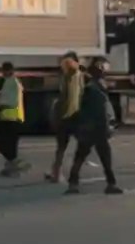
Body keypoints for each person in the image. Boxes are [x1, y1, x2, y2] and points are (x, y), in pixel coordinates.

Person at [65, 60, 124, 195]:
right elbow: (101, 114)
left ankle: (73, 184)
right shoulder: (97, 92)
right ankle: (111, 184)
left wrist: (76, 129)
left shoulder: (86, 90)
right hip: (97, 130)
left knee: (79, 158)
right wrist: (107, 128)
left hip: (86, 130)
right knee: (105, 158)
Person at [45, 51, 83, 183]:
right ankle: (58, 172)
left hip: (67, 116)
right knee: (77, 146)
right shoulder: (73, 76)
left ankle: (56, 172)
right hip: (70, 116)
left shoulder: (69, 76)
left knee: (63, 147)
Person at [0, 61, 29, 176]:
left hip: (12, 118)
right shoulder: (7, 82)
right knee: (4, 145)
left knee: (8, 145)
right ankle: (11, 166)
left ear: (10, 71)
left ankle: (15, 166)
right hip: (5, 117)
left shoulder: (13, 83)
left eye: (6, 70)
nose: (3, 73)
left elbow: (12, 101)